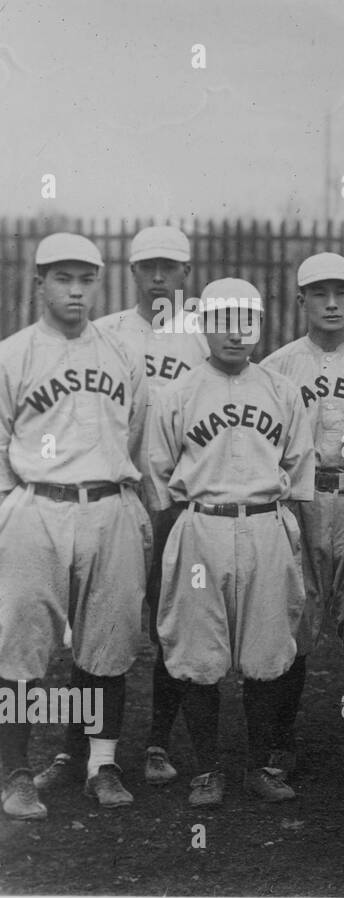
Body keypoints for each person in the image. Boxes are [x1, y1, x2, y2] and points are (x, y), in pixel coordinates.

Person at [36, 225, 205, 793]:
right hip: (119, 499)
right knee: (97, 624)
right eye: (147, 267)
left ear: (186, 273)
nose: (158, 277)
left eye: (169, 267)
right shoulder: (105, 334)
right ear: (131, 272)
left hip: (179, 503)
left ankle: (157, 743)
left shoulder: (202, 341)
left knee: (173, 626)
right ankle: (75, 748)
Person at [148, 278, 314, 807]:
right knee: (198, 652)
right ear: (202, 323)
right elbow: (159, 475)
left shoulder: (282, 391)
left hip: (266, 523)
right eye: (222, 320)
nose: (235, 332)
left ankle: (260, 766)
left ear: (259, 325)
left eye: (246, 320)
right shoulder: (178, 393)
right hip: (201, 524)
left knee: (268, 649)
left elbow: (298, 470)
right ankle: (207, 770)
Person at [0, 233, 150, 818]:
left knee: (108, 639)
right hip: (37, 506)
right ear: (40, 283)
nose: (76, 291)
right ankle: (15, 772)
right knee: (20, 644)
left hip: (109, 504)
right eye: (63, 278)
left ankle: (101, 765)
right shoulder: (13, 354)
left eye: (86, 279)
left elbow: (136, 433)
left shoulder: (120, 353)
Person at [262, 253, 344, 779]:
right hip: (301, 499)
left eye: (340, 292)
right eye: (319, 293)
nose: (331, 303)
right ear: (301, 300)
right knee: (293, 616)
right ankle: (279, 742)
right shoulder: (279, 366)